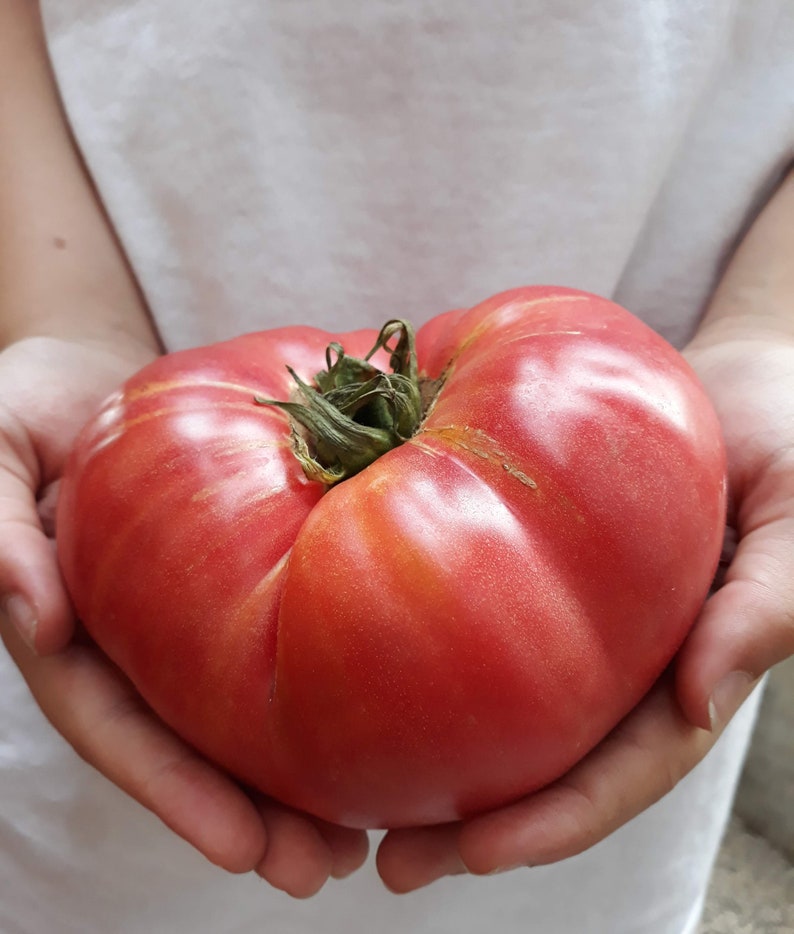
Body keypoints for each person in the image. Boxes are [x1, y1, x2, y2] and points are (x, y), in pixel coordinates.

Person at [0, 1, 792, 931]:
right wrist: (57, 315)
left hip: (666, 540)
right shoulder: (118, 472)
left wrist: (773, 327)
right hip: (111, 655)